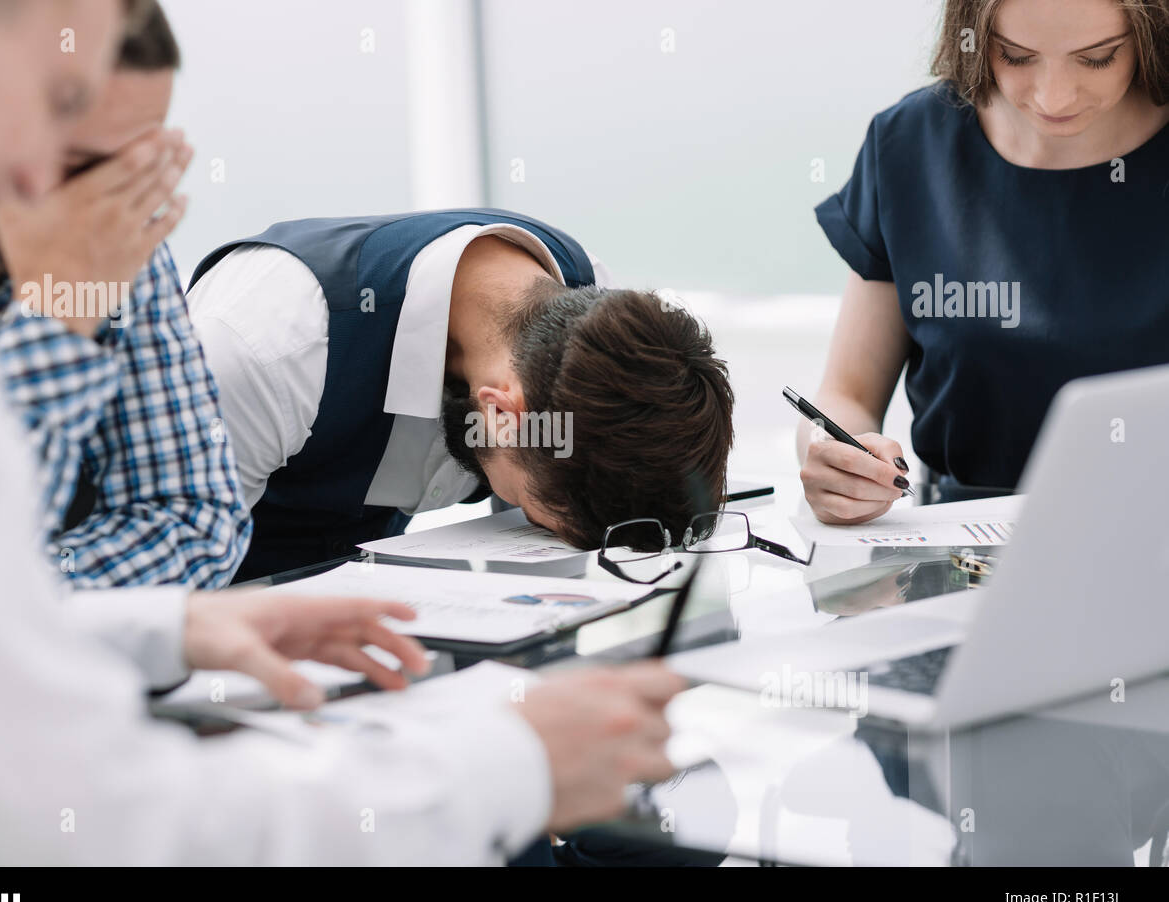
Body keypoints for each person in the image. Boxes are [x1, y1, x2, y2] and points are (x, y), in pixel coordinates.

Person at [0, 0, 685, 865]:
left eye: (142, 164)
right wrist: (504, 765)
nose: (44, 185)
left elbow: (182, 521)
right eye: (63, 118)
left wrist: (159, 628)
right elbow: (81, 822)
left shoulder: (108, 237)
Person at [188, 210, 736, 580]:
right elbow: (158, 596)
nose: (521, 520)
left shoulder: (588, 313)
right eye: (529, 513)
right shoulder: (263, 347)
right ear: (499, 415)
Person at [799, 0, 1169, 524]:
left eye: (1097, 58)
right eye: (1016, 56)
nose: (1053, 96)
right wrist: (836, 459)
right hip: (955, 552)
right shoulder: (909, 145)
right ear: (973, 31)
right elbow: (848, 393)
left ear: (1150, 32)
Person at [0, 1, 251, 588]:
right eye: (78, 164)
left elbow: (194, 520)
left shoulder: (117, 228)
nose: (105, 207)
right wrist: (59, 311)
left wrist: (32, 602)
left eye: (136, 168)